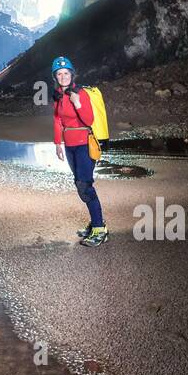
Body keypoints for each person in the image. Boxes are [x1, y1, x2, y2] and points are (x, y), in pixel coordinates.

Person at [51, 55, 108, 247]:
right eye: (59, 74)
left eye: (66, 73)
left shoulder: (80, 93)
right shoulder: (58, 96)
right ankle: (95, 223)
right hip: (69, 146)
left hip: (84, 144)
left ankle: (100, 229)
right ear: (55, 77)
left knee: (85, 185)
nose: (63, 76)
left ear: (72, 74)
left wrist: (77, 102)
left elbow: (89, 120)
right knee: (79, 183)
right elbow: (58, 120)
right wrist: (58, 143)